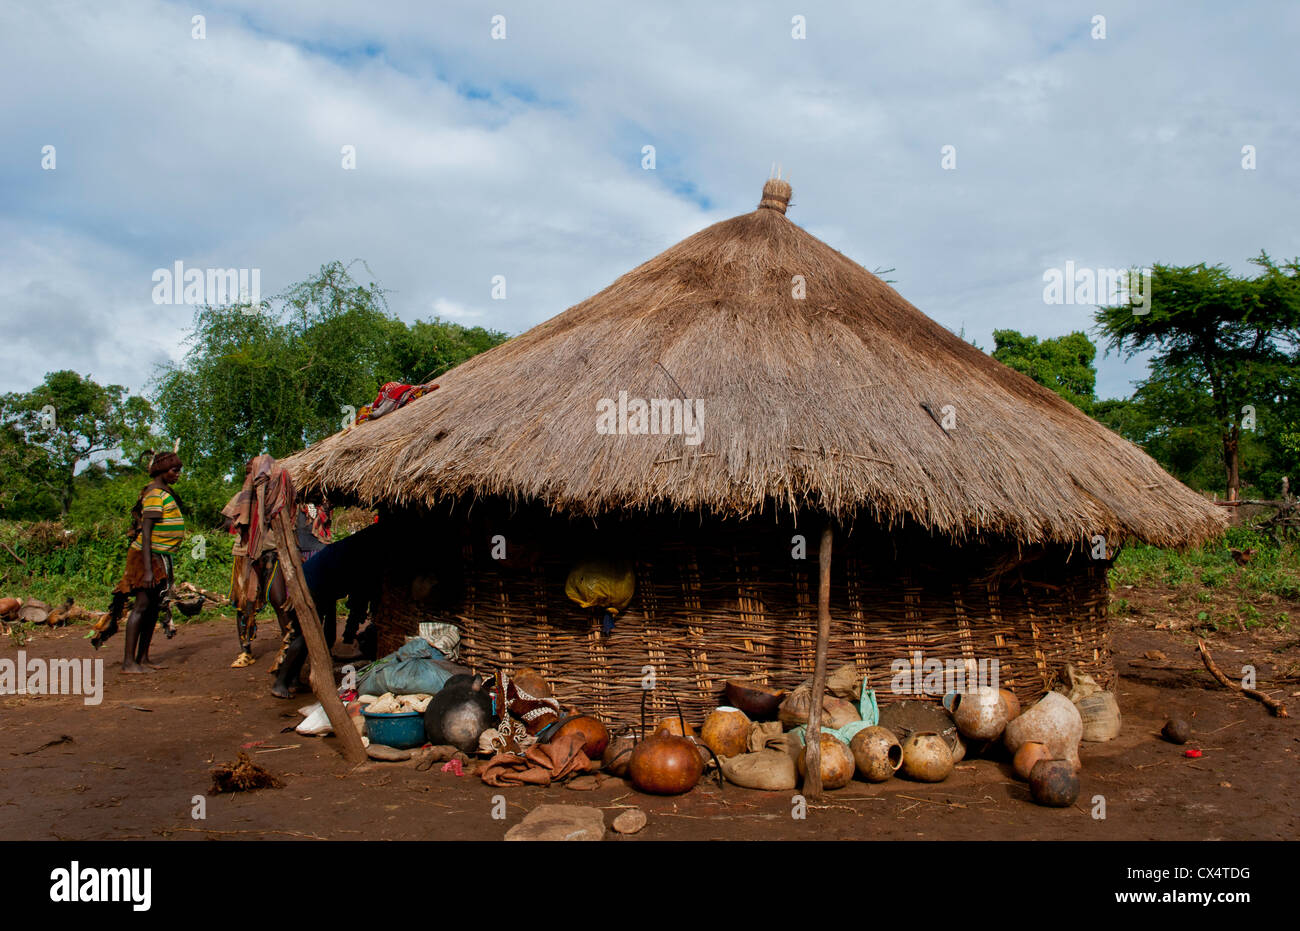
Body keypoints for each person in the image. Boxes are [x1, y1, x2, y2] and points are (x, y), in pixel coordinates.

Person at [91, 451, 185, 672]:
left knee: (152, 608)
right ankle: (128, 662)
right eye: (174, 470)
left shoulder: (163, 492)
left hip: (158, 557)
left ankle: (143, 658)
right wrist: (148, 571)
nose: (177, 475)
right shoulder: (154, 494)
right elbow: (146, 531)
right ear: (161, 470)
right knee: (141, 606)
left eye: (178, 471)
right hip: (146, 558)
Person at [271, 522, 383, 699]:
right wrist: (349, 633)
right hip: (312, 585)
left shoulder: (361, 544)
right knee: (305, 635)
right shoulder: (365, 550)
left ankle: (292, 680)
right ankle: (280, 683)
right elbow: (359, 595)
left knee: (310, 636)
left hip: (320, 586)